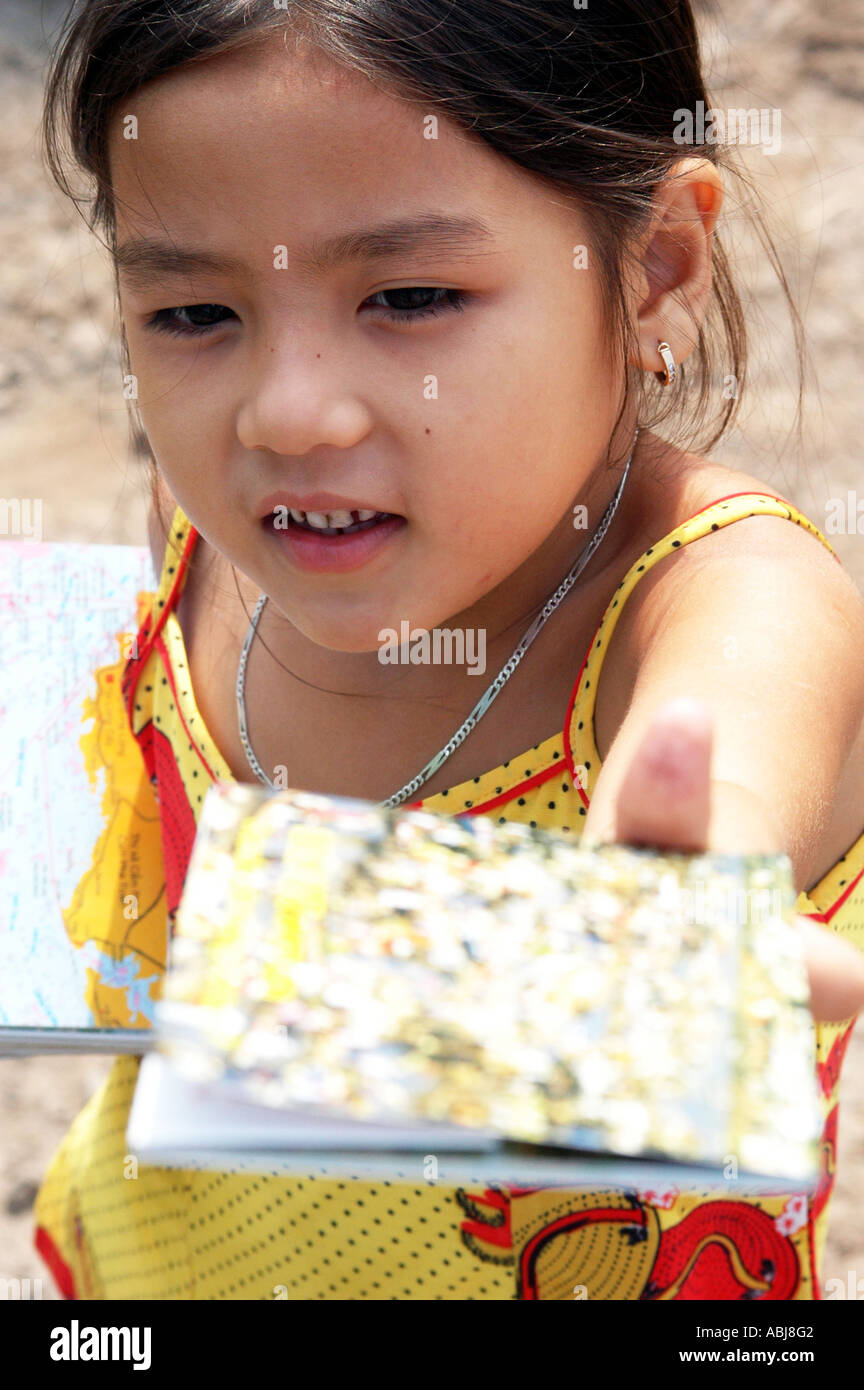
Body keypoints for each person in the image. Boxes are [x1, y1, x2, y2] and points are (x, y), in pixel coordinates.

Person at [33, 0, 864, 1300]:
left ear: (656, 267)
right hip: (164, 1255)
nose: (288, 411)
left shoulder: (715, 594)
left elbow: (728, 765)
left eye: (410, 296)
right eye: (194, 312)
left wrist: (665, 904)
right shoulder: (204, 533)